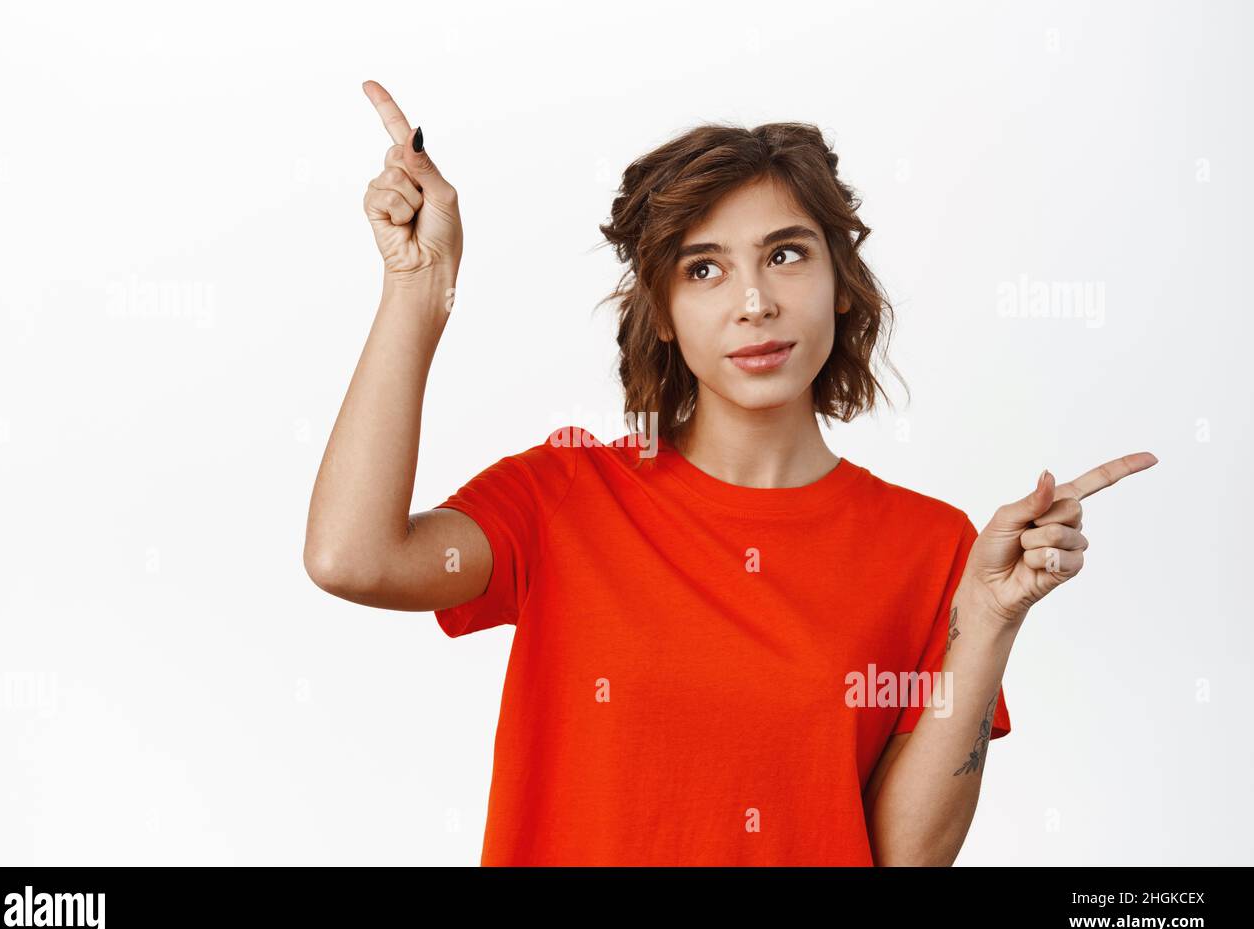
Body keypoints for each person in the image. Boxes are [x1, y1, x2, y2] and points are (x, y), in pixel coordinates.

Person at [303, 80, 1158, 866]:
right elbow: (352, 557)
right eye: (704, 268)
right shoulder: (568, 494)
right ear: (665, 316)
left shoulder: (934, 547)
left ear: (842, 284)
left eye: (786, 255)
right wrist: (419, 288)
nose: (755, 301)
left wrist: (992, 615)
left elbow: (902, 858)